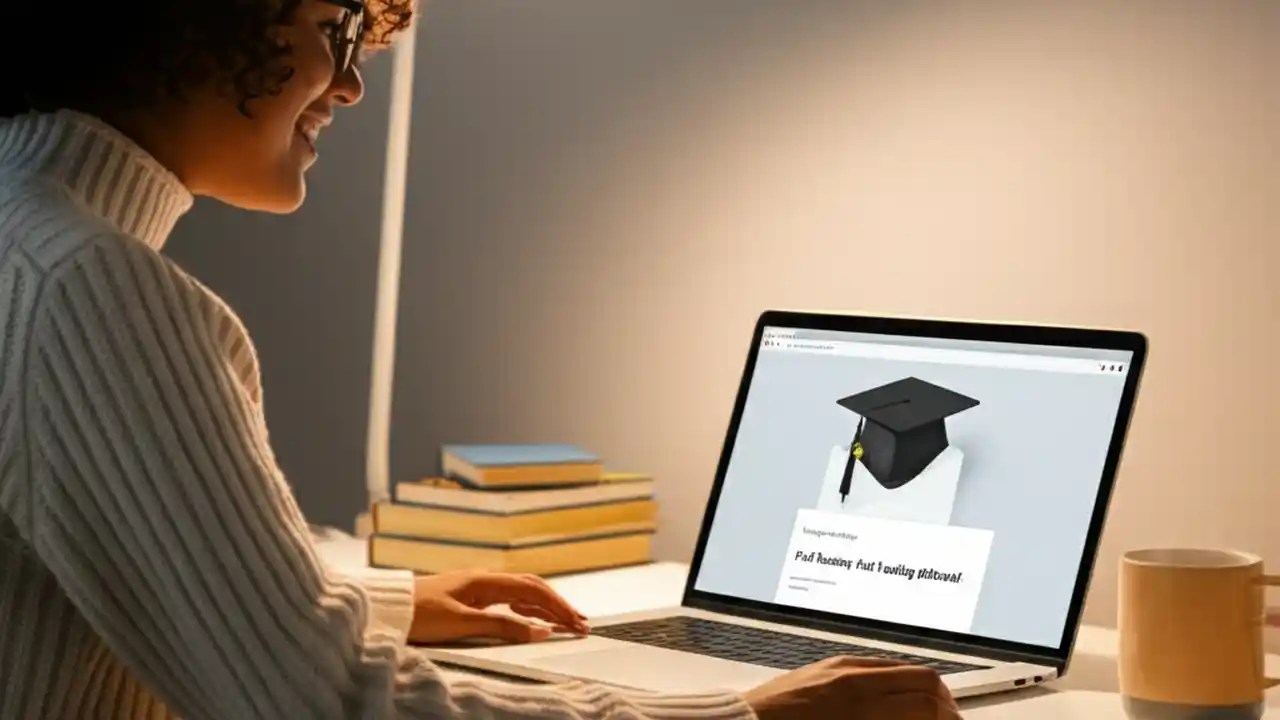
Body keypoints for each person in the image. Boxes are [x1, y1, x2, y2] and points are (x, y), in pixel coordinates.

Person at [0, 1, 962, 718]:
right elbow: (327, 708)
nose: (350, 84)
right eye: (337, 30)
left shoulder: (27, 240)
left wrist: (383, 601)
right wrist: (749, 716)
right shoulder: (93, 289)